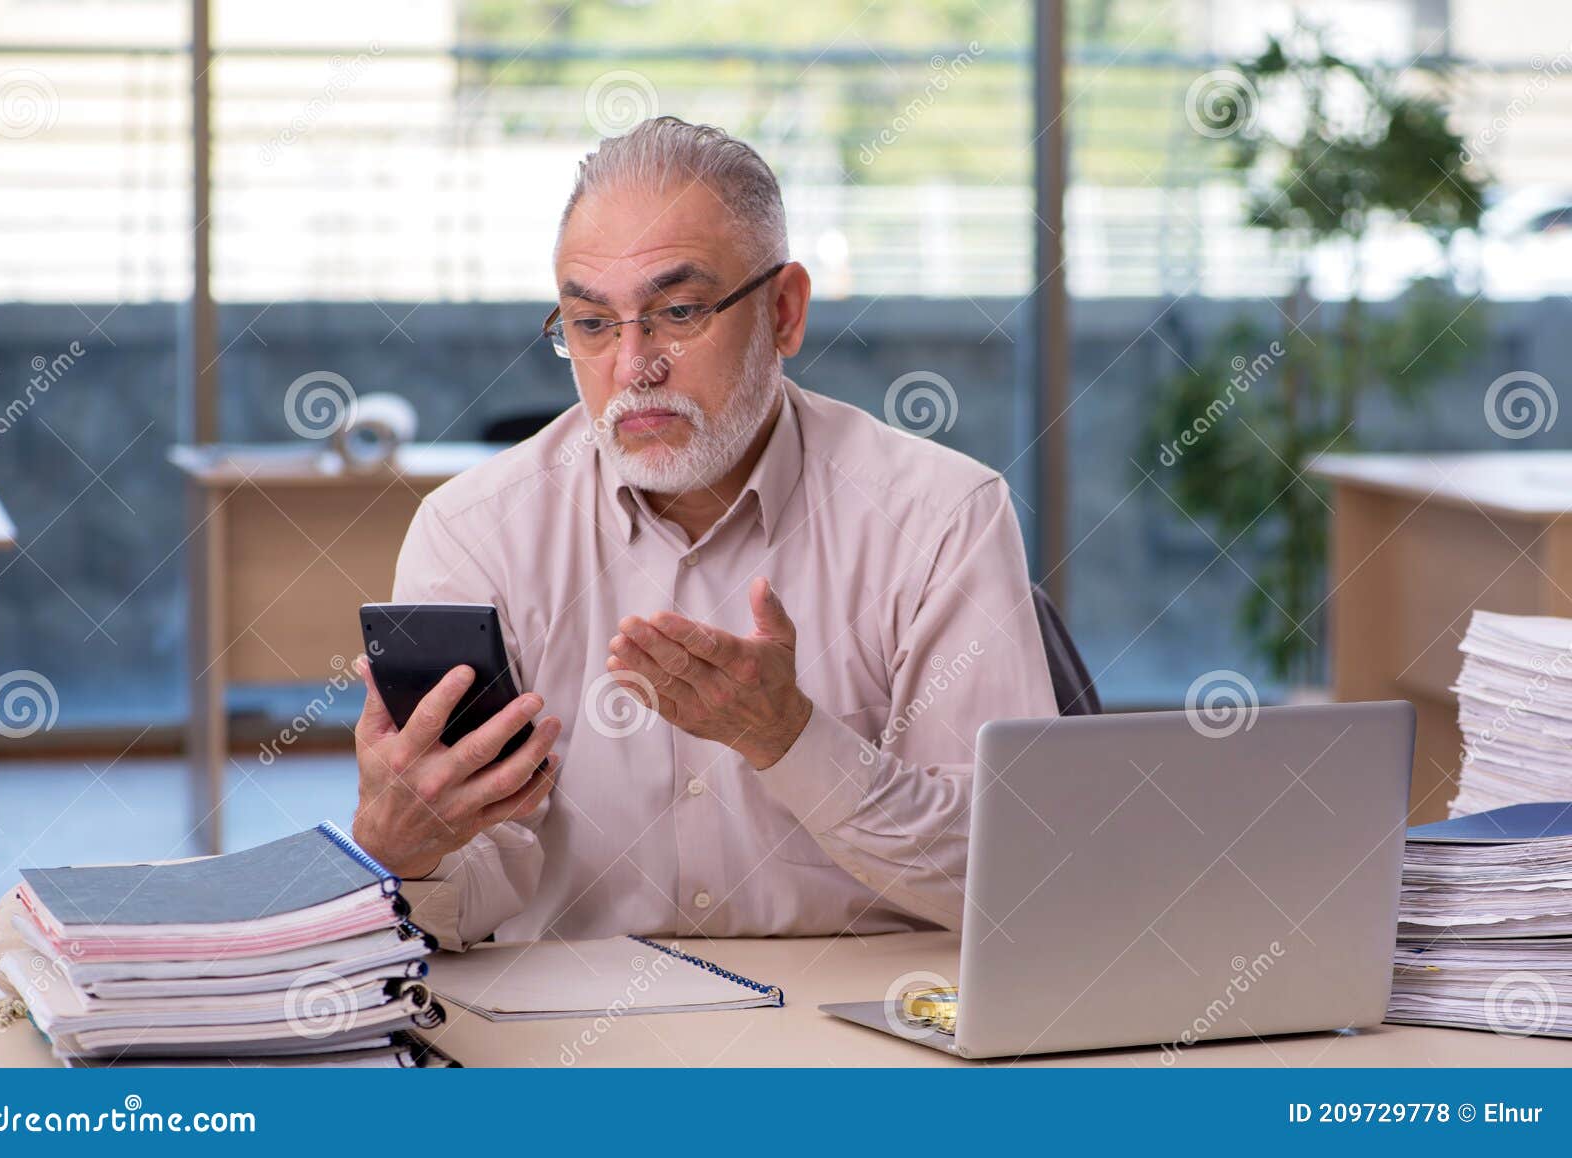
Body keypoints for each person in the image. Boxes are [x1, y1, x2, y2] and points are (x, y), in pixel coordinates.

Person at [350, 116, 1058, 951]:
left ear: (785, 312)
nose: (633, 365)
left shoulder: (942, 517)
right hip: (579, 1047)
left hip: (867, 1038)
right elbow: (468, 902)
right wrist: (408, 856)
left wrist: (790, 739)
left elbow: (1019, 879)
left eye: (678, 311)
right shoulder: (473, 532)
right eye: (592, 324)